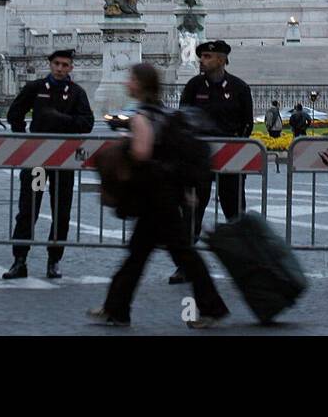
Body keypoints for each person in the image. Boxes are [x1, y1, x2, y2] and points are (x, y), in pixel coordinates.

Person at [90, 63, 230, 328]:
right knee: (142, 255)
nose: (126, 82)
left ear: (140, 84)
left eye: (131, 78)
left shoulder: (142, 116)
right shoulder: (164, 113)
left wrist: (123, 149)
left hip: (155, 198)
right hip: (165, 195)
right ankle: (115, 309)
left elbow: (141, 155)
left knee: (176, 255)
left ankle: (212, 307)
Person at [2, 49, 95, 280]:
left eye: (65, 65)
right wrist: (24, 138)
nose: (61, 68)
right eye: (57, 64)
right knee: (28, 210)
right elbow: (15, 113)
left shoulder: (76, 92)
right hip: (37, 161)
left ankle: (54, 260)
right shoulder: (35, 88)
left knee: (60, 211)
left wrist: (62, 120)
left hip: (63, 161)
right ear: (50, 65)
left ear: (71, 67)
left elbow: (87, 123)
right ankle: (19, 260)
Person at [172, 40, 253, 284]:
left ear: (221, 59)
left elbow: (247, 123)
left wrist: (235, 147)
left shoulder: (239, 87)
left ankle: (243, 265)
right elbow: (183, 117)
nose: (202, 61)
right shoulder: (194, 86)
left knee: (234, 211)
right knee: (192, 211)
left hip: (230, 159)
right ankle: (185, 265)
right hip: (198, 160)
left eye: (207, 56)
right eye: (202, 57)